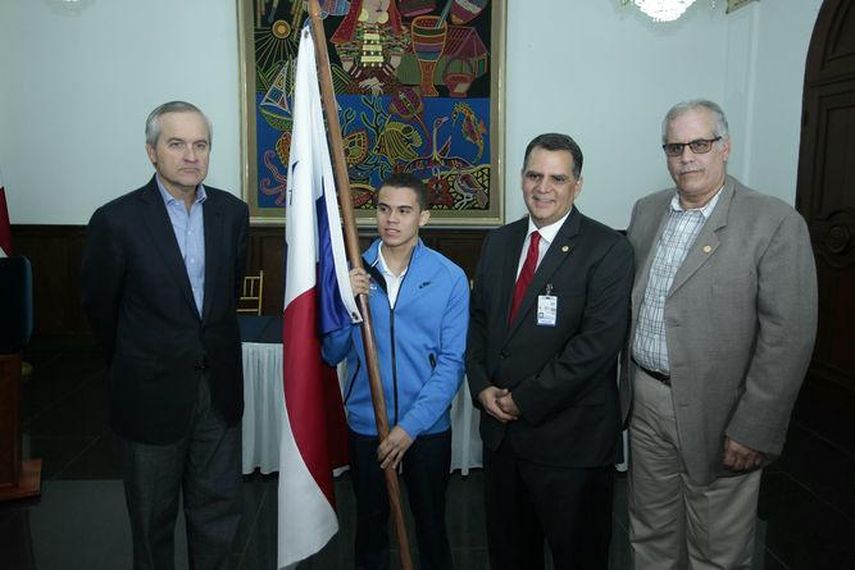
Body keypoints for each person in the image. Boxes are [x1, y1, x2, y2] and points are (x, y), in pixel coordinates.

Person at [626, 99, 818, 569]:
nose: (687, 157)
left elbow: (788, 338)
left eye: (700, 144)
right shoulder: (647, 211)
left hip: (722, 411)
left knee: (717, 551)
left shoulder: (773, 222)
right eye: (675, 147)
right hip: (646, 402)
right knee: (649, 533)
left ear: (725, 147)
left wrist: (754, 428)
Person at [81, 101, 249, 570]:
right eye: (177, 144)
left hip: (217, 390)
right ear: (152, 151)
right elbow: (100, 309)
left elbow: (226, 296)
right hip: (148, 394)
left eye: (201, 145)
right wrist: (139, 359)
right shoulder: (116, 221)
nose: (191, 156)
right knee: (152, 522)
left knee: (219, 514)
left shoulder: (232, 214)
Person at [466, 133, 634, 569]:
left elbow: (596, 346)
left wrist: (523, 399)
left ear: (577, 185)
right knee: (510, 557)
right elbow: (478, 322)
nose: (543, 188)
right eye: (534, 175)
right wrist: (481, 386)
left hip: (571, 445)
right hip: (503, 441)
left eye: (557, 179)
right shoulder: (499, 242)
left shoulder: (608, 249)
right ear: (521, 178)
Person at [321, 173, 468, 570]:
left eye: (404, 211)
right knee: (370, 527)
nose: (392, 219)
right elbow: (332, 353)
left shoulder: (449, 277)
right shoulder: (352, 272)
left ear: (423, 217)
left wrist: (409, 427)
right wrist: (344, 304)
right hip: (368, 423)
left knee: (431, 526)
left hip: (426, 428)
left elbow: (452, 364)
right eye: (384, 209)